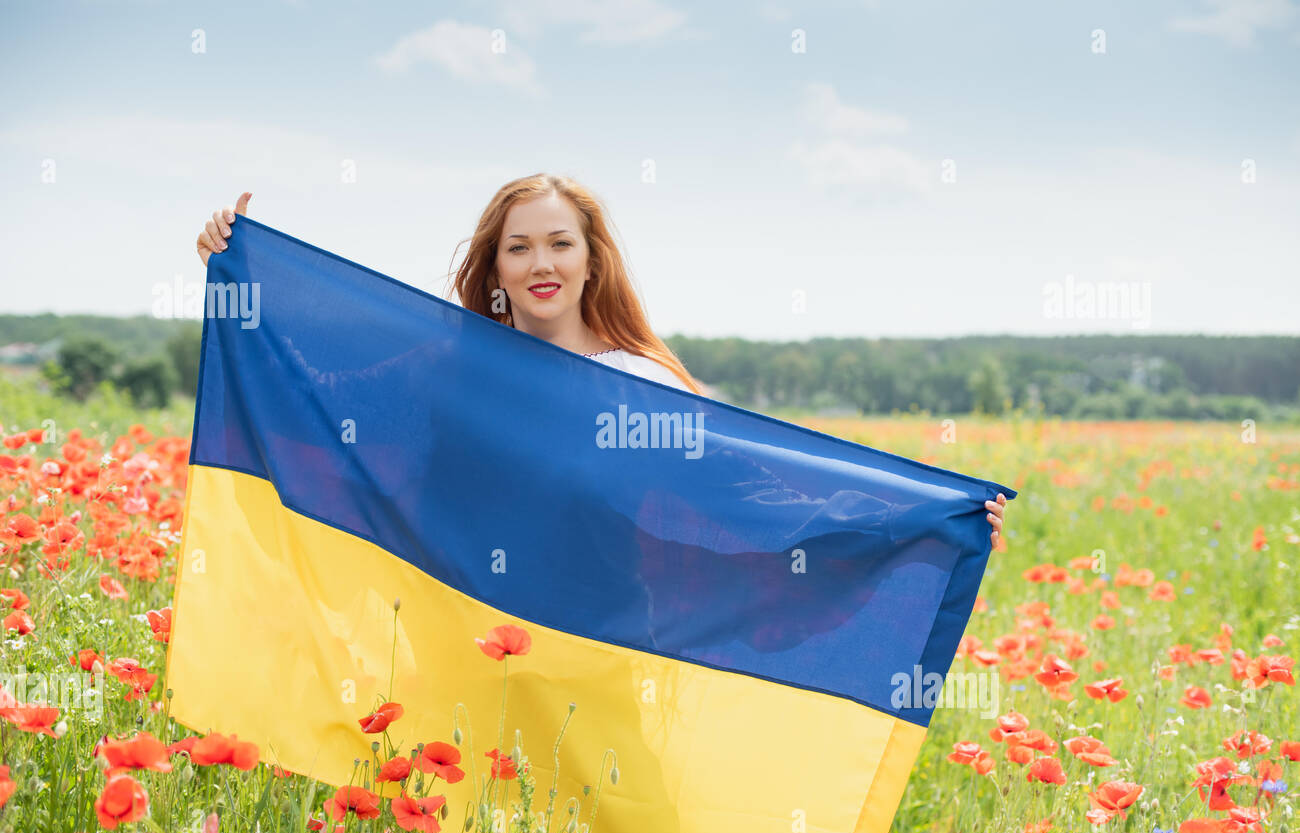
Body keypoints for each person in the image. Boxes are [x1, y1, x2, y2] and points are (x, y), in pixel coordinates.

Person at [194, 175, 1007, 547]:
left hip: (603, 646)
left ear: (591, 263)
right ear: (497, 270)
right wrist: (238, 282)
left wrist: (921, 517)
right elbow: (313, 395)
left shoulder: (639, 385)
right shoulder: (450, 373)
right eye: (519, 248)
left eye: (560, 243)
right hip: (464, 640)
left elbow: (751, 494)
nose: (541, 262)